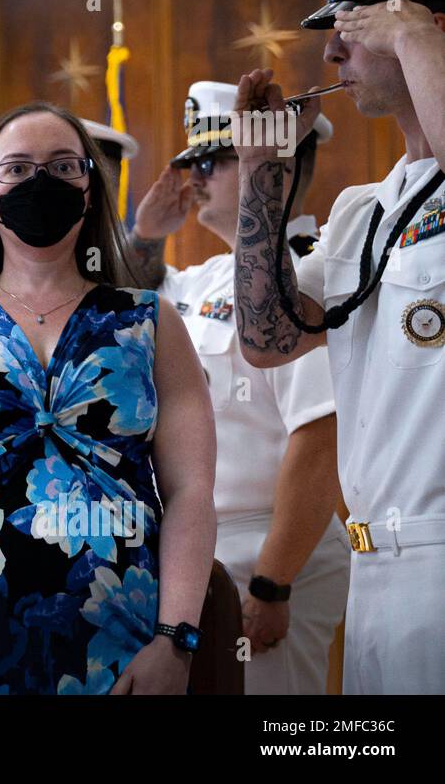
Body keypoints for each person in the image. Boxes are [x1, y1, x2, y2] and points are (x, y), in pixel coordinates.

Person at [0, 101, 216, 695]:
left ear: (89, 188)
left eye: (63, 167)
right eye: (16, 168)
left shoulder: (149, 321)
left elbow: (190, 492)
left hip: (130, 645)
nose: (40, 183)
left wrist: (176, 640)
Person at [232, 0, 445, 693]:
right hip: (375, 571)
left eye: (354, 29)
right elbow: (267, 338)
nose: (330, 54)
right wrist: (261, 176)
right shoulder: (368, 208)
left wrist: (419, 38)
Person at [128, 80, 347, 694]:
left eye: (213, 160)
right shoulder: (206, 278)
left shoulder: (307, 270)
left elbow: (319, 436)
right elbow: (125, 301)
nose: (196, 176)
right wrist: (147, 236)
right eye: (192, 161)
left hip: (272, 549)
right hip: (196, 551)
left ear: (278, 160)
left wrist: (272, 582)